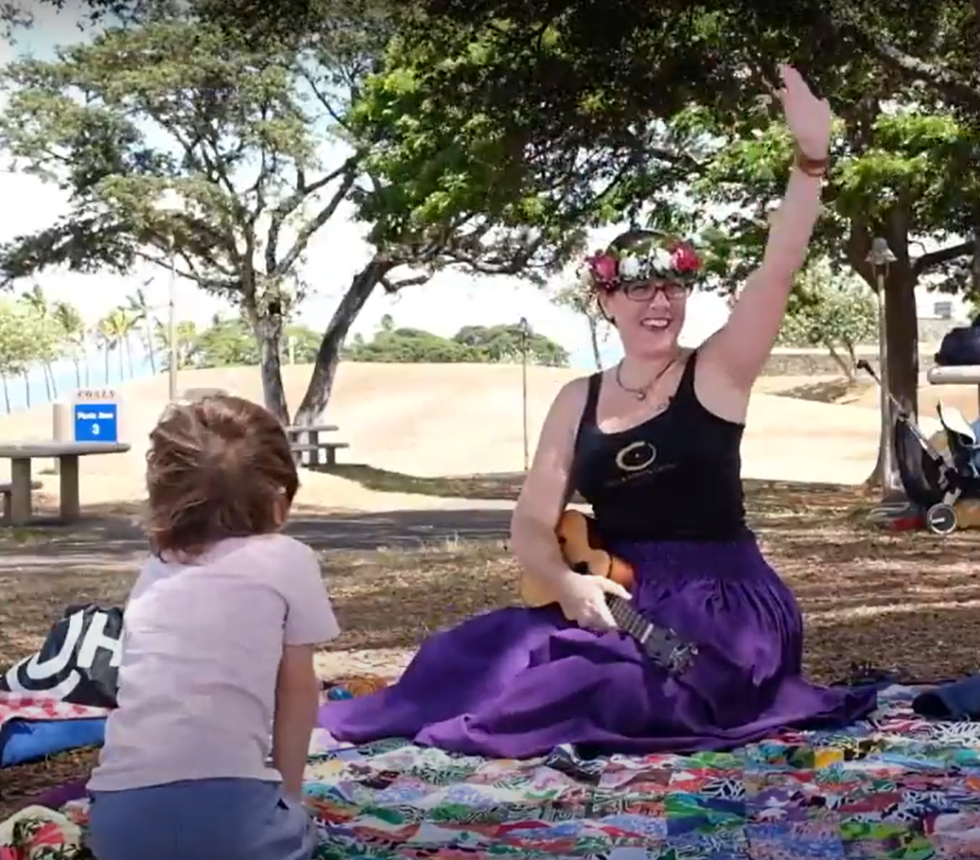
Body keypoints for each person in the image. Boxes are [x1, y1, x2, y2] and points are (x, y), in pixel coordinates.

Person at [318, 64, 877, 758]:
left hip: (722, 606)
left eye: (671, 288)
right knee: (468, 655)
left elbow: (778, 268)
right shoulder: (575, 398)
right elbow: (530, 518)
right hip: (609, 590)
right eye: (638, 289)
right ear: (606, 302)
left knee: (584, 689)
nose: (658, 303)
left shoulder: (720, 371)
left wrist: (810, 162)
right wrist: (561, 583)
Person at [87, 396, 339, 860]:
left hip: (118, 828)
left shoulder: (155, 570)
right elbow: (298, 692)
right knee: (302, 833)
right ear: (280, 500)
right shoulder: (288, 560)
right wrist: (289, 798)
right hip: (238, 829)